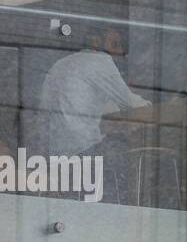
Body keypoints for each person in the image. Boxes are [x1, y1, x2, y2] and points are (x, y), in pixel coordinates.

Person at [35, 24, 150, 192]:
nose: (120, 52)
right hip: (83, 152)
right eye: (115, 45)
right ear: (96, 42)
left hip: (54, 156)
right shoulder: (99, 60)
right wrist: (154, 106)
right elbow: (131, 104)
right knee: (133, 156)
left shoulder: (60, 64)